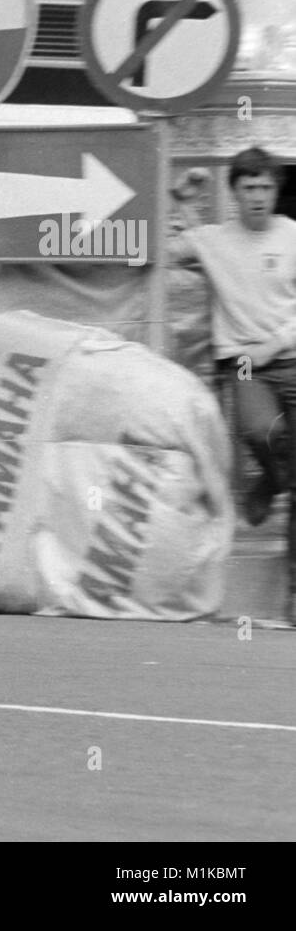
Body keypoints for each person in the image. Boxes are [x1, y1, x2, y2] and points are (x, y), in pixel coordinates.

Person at [170, 146, 296, 623]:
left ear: (276, 190)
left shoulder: (293, 236)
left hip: (290, 354)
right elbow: (168, 250)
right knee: (261, 432)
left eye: (266, 187)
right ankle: (273, 474)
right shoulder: (215, 239)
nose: (258, 197)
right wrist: (180, 200)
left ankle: (294, 593)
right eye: (249, 188)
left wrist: (277, 342)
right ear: (235, 193)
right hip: (243, 363)